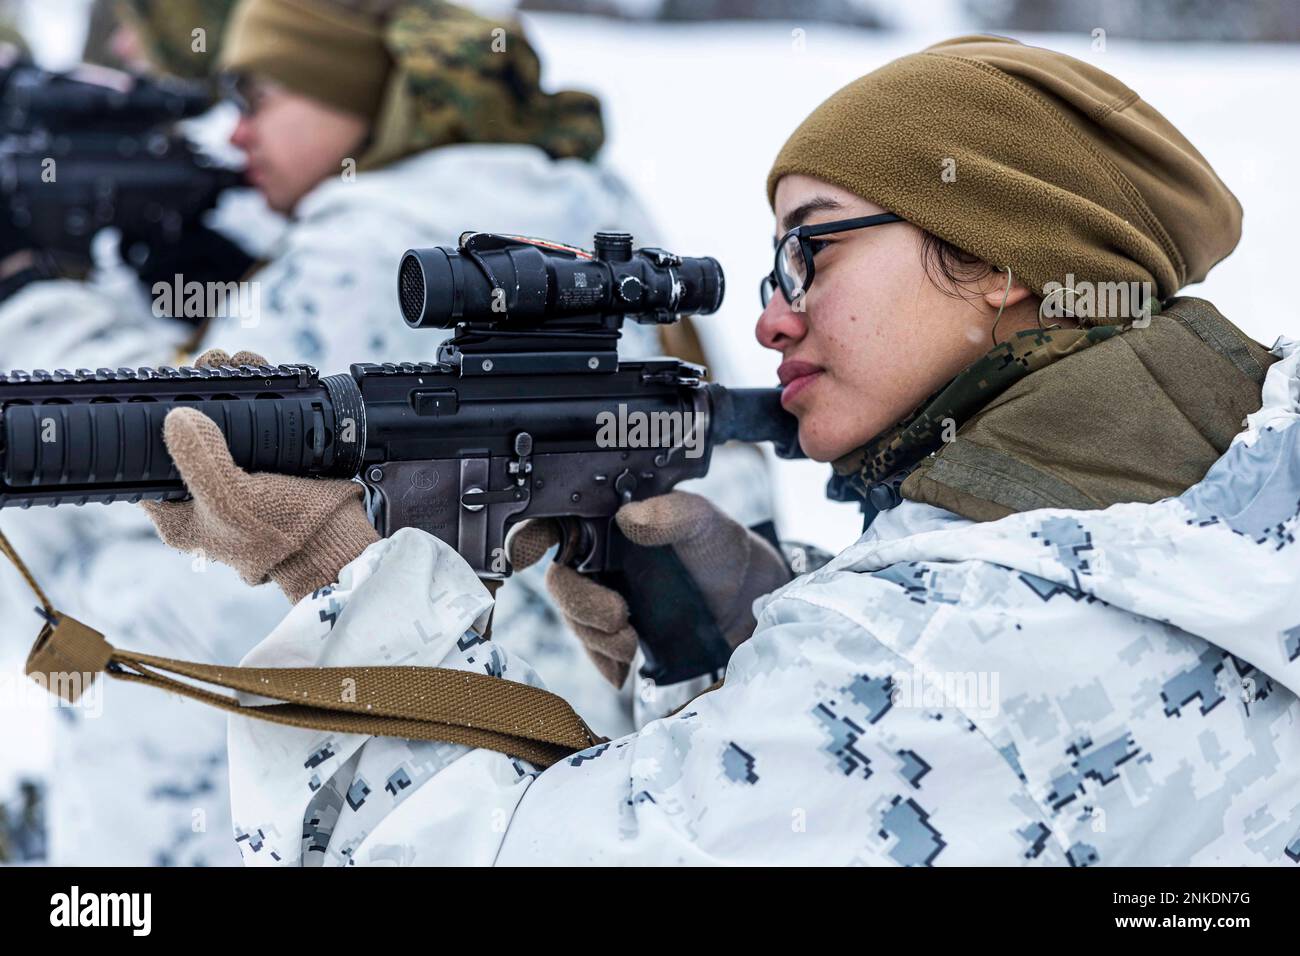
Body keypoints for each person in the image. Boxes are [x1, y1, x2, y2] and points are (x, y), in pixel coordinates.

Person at [156, 32, 1300, 866]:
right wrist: (749, 640)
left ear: (1001, 256)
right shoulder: (1222, 515)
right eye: (769, 269)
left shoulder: (932, 651)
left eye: (814, 251)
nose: (769, 315)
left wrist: (347, 580)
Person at [0, 0, 772, 865]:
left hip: (498, 732)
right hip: (595, 699)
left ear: (352, 93)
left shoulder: (373, 228)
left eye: (261, 96)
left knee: (148, 584)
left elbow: (203, 445)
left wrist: (28, 293)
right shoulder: (547, 185)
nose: (238, 130)